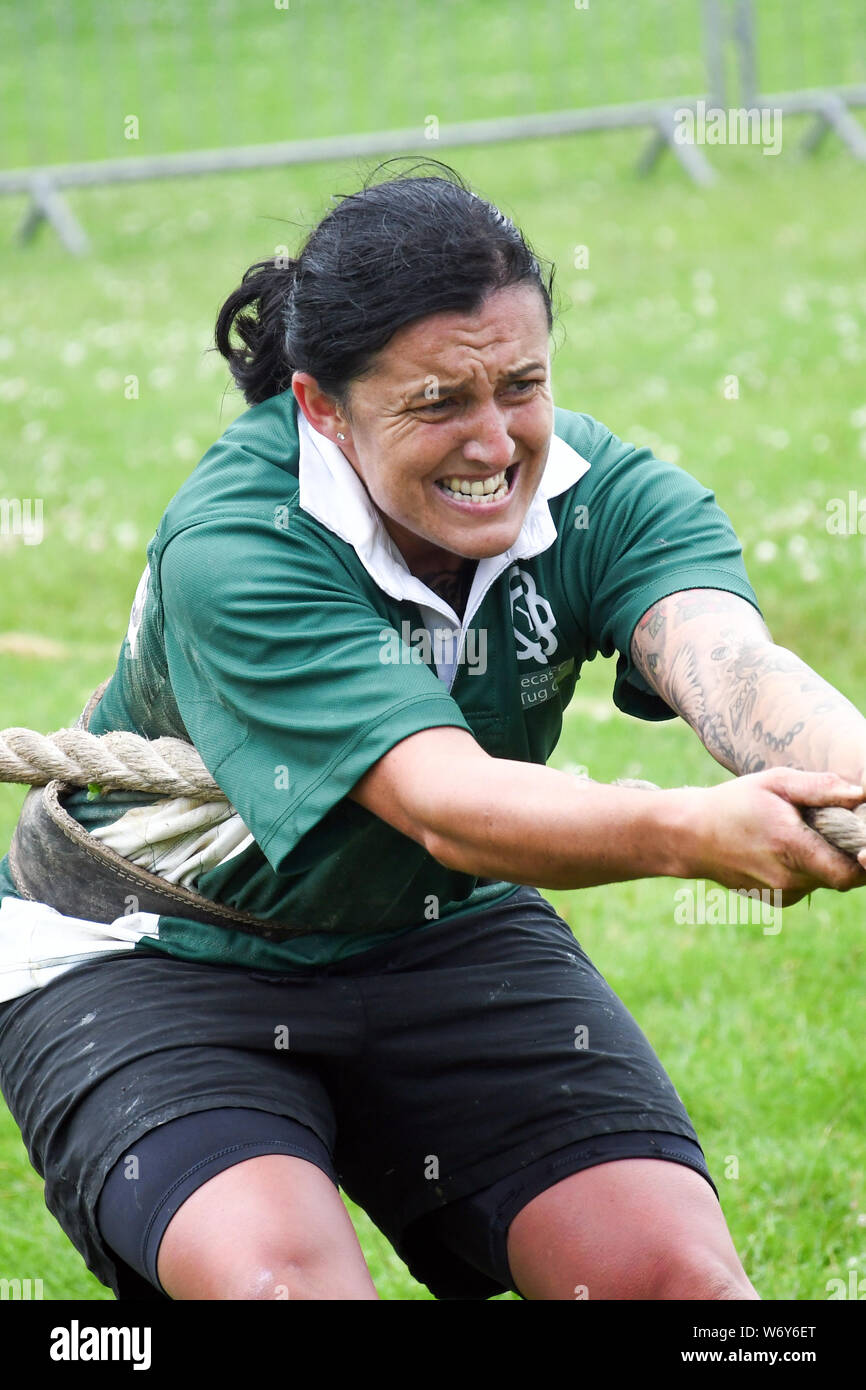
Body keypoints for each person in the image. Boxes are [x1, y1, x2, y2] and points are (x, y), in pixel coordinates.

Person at [1, 160, 865, 1303]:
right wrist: (692, 833)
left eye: (520, 385)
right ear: (321, 406)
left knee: (676, 1288)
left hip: (435, 929)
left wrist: (851, 778)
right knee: (282, 1287)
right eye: (438, 402)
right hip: (157, 953)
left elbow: (733, 669)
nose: (494, 442)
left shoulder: (600, 492)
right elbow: (445, 805)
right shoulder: (239, 544)